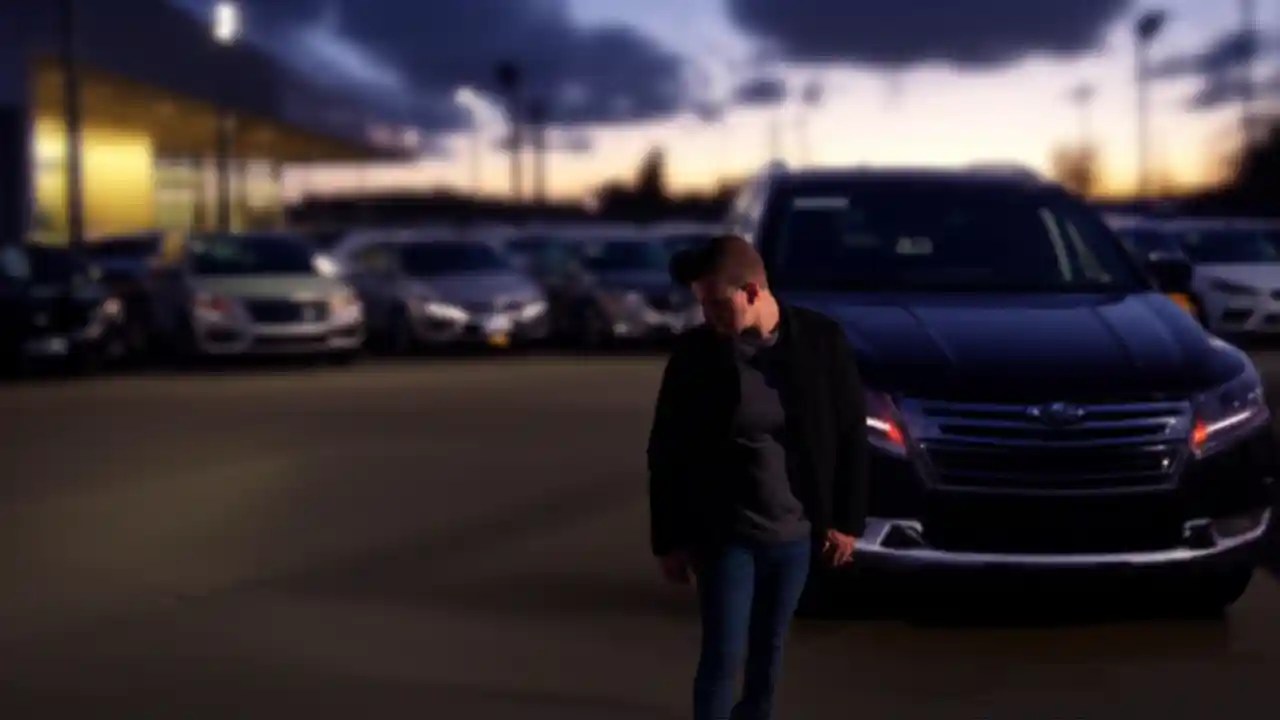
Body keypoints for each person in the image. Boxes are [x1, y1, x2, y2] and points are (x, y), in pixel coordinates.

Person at [647, 234, 869, 720]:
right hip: (724, 535)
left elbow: (852, 433)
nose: (708, 317)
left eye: (716, 304)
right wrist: (668, 539)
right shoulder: (696, 354)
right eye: (701, 306)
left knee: (768, 658)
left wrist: (846, 519)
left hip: (794, 535)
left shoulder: (820, 342)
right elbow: (665, 450)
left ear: (751, 292)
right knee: (722, 658)